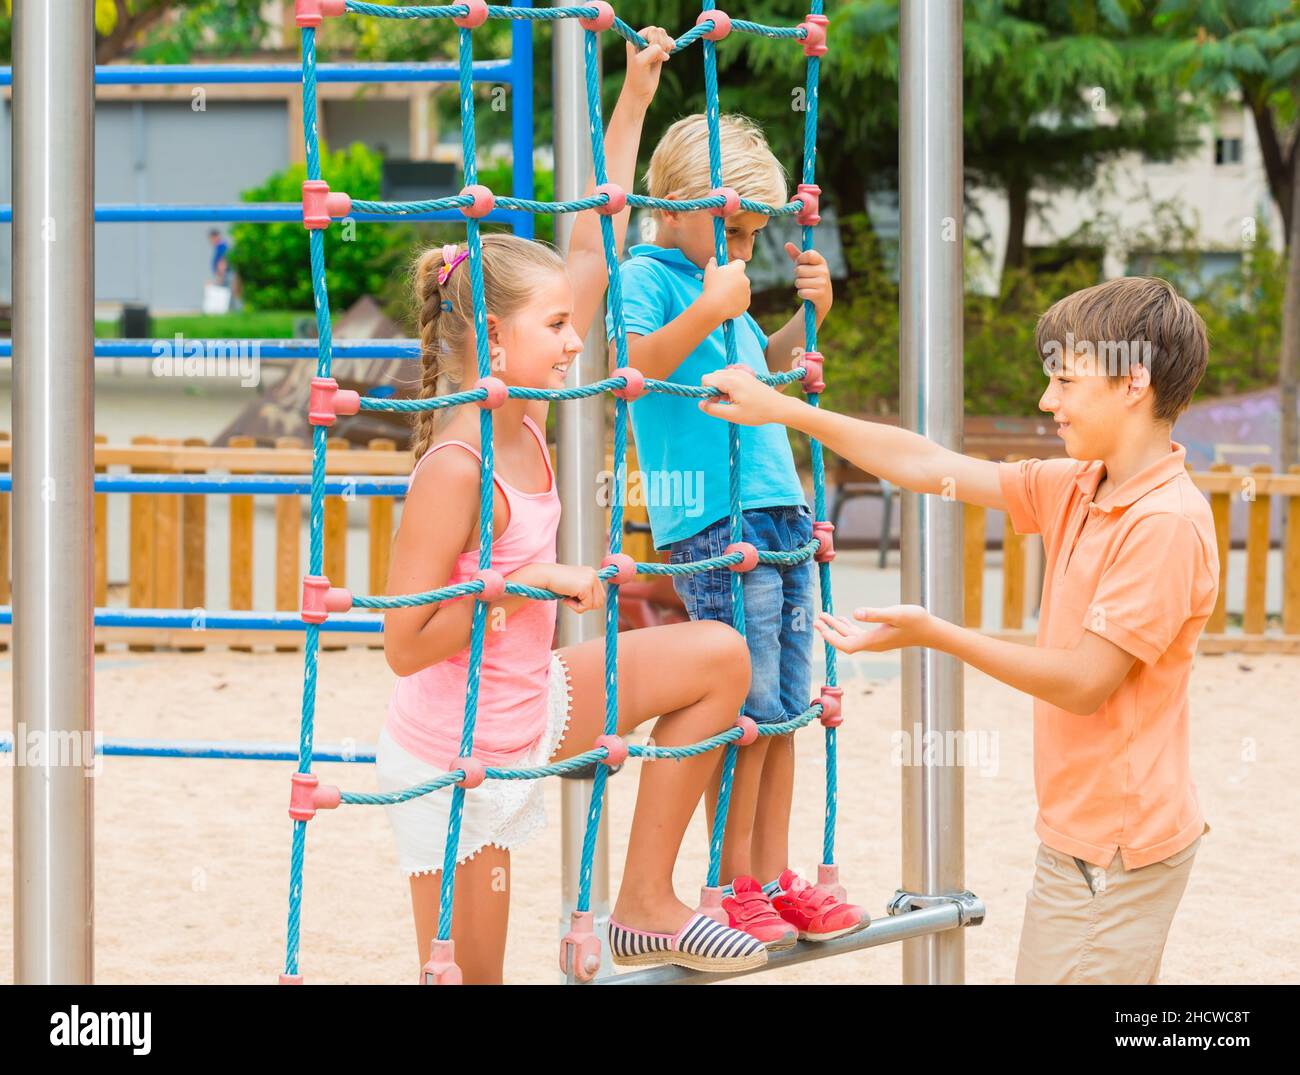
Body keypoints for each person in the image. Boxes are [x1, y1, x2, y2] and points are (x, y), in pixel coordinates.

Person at [379, 28, 768, 985]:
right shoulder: (455, 465)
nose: (573, 342)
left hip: (536, 702)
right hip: (455, 750)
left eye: (570, 321)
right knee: (477, 980)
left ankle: (642, 903)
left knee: (720, 657)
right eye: (555, 327)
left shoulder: (533, 411)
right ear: (491, 335)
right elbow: (403, 641)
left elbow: (593, 231)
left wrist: (633, 97)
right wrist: (519, 582)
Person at [697, 276, 1219, 985]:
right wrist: (783, 411)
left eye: (1065, 380)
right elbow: (927, 465)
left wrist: (935, 633)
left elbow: (1084, 682)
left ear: (1133, 382)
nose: (1047, 401)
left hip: (1115, 848)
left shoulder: (1163, 523)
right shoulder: (1082, 484)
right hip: (1086, 832)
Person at [604, 112, 866, 949]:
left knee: (787, 707)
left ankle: (774, 872)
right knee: (744, 706)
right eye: (737, 230)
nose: (746, 249)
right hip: (716, 520)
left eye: (755, 234)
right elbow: (635, 368)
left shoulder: (728, 282)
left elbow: (759, 370)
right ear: (675, 204)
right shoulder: (648, 274)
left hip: (779, 509)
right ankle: (730, 878)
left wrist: (803, 321)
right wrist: (713, 301)